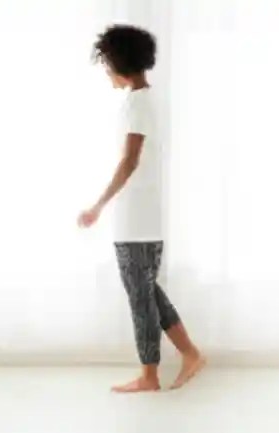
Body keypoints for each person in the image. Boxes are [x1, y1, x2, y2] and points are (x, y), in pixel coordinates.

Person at [78, 24, 206, 393]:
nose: (106, 73)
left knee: (140, 296)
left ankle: (150, 375)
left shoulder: (137, 103)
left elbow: (129, 161)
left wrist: (98, 205)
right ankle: (191, 353)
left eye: (106, 64)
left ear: (118, 62)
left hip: (136, 219)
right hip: (146, 215)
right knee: (147, 291)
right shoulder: (151, 100)